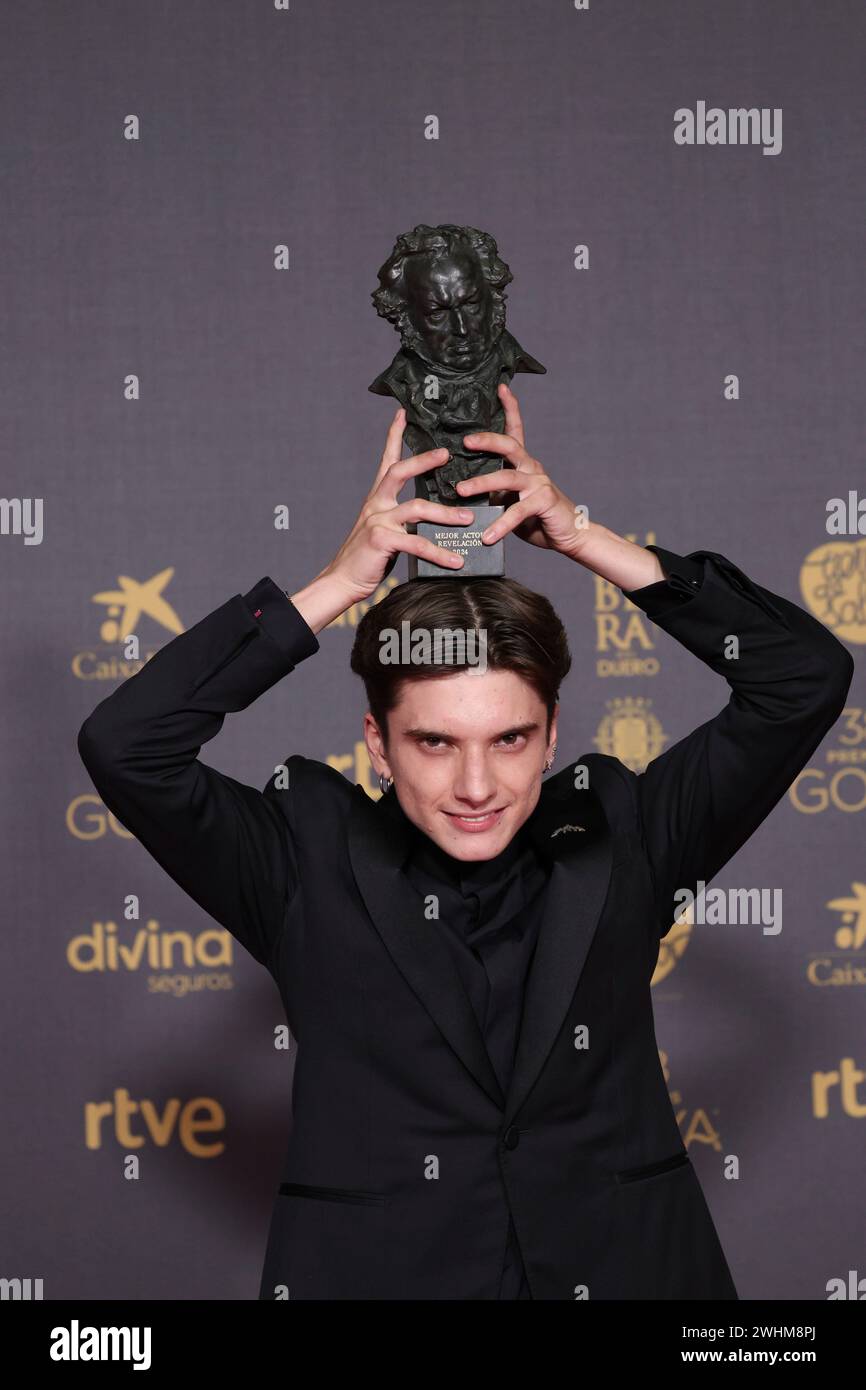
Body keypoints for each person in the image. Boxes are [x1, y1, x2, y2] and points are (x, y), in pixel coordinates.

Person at [77, 384, 853, 1300]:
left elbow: (802, 677)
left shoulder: (627, 832)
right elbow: (126, 744)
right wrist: (340, 585)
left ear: (554, 733)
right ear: (378, 742)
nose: (477, 786)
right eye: (435, 742)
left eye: (510, 740)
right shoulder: (299, 859)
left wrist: (583, 540)